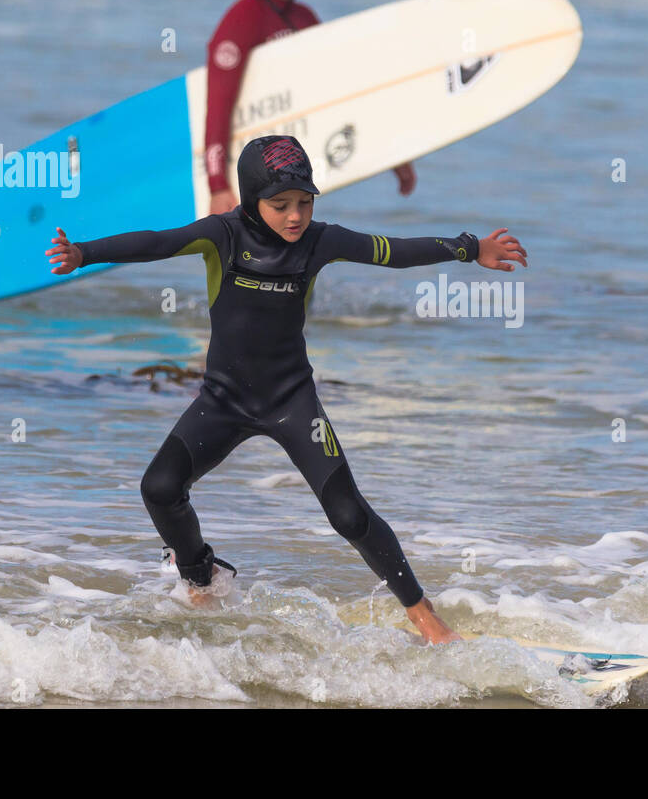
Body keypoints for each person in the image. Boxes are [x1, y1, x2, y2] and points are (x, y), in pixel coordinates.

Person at [45, 135, 527, 644]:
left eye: (305, 202)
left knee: (348, 515)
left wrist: (470, 248)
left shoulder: (321, 241)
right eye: (280, 205)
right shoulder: (222, 236)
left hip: (291, 401)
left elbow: (392, 251)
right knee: (159, 489)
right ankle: (200, 574)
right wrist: (85, 253)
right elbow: (158, 242)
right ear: (252, 201)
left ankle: (425, 617)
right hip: (223, 401)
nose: (295, 216)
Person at [205, 0, 415, 216]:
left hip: (292, 180)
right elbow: (219, 103)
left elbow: (339, 92)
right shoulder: (241, 19)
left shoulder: (305, 18)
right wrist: (217, 185)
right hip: (254, 180)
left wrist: (391, 154)